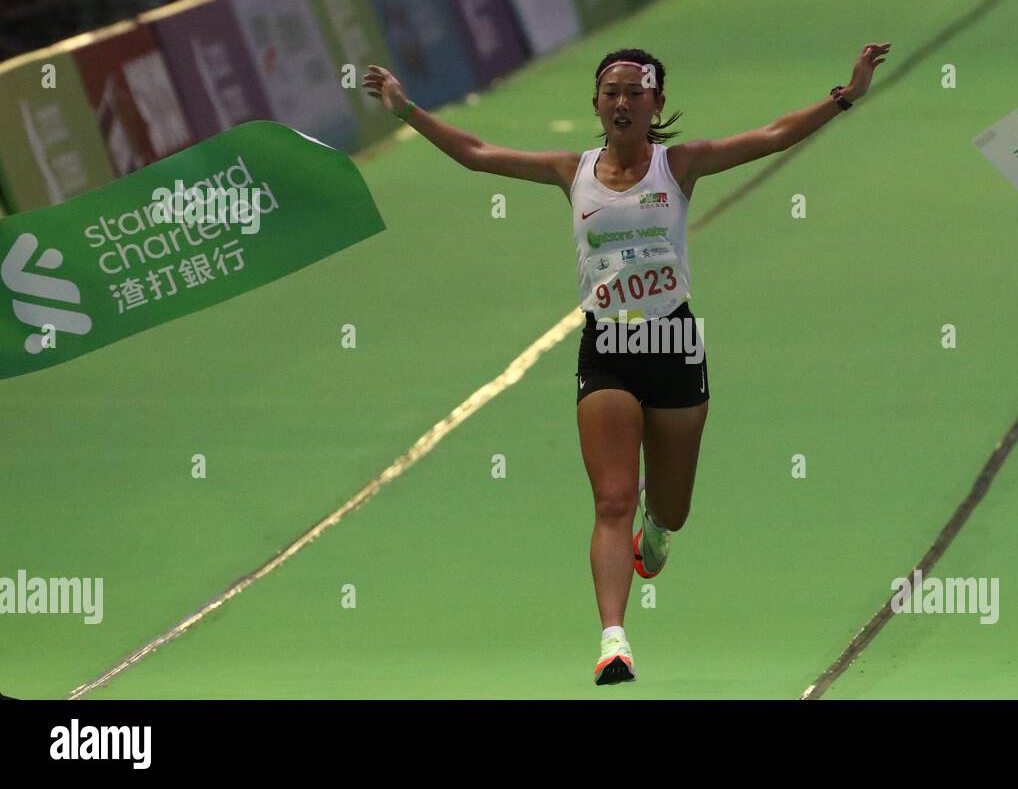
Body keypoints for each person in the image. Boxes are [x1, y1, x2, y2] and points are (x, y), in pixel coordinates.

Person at [363, 41, 890, 686]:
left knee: (668, 508)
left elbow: (772, 136)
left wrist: (845, 96)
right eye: (610, 93)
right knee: (613, 499)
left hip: (672, 346)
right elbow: (476, 155)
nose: (621, 103)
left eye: (633, 93)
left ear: (655, 104)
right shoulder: (571, 171)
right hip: (607, 349)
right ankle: (614, 638)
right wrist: (406, 109)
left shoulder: (680, 165)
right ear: (596, 103)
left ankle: (659, 536)